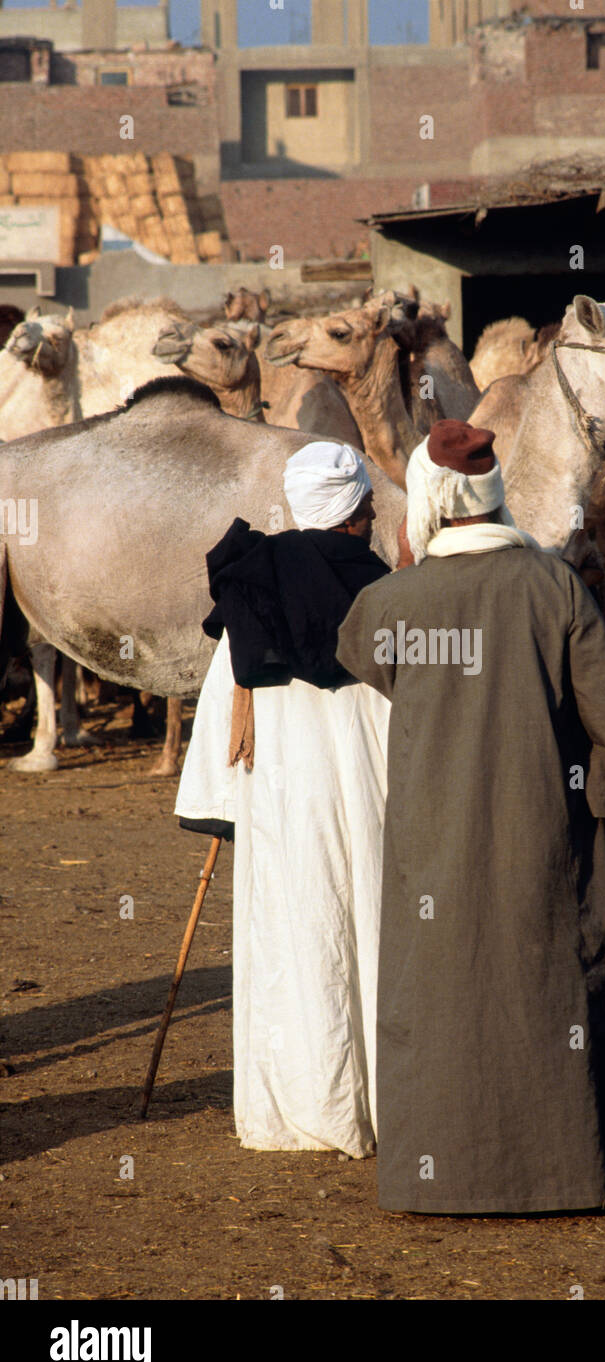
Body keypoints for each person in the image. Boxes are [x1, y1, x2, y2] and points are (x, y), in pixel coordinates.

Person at [336, 419, 605, 1213]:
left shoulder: (388, 602)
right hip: (543, 824)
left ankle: (446, 1174)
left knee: (443, 990)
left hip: (435, 835)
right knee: (554, 979)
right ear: (491, 498)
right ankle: (571, 1169)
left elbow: (369, 661)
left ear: (431, 498)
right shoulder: (553, 586)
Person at [174, 440, 390, 1158]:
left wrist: (217, 804)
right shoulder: (389, 597)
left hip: (282, 808)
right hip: (373, 802)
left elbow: (217, 727)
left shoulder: (249, 596)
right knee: (375, 936)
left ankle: (303, 1107)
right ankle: (385, 1100)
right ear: (358, 512)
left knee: (296, 945)